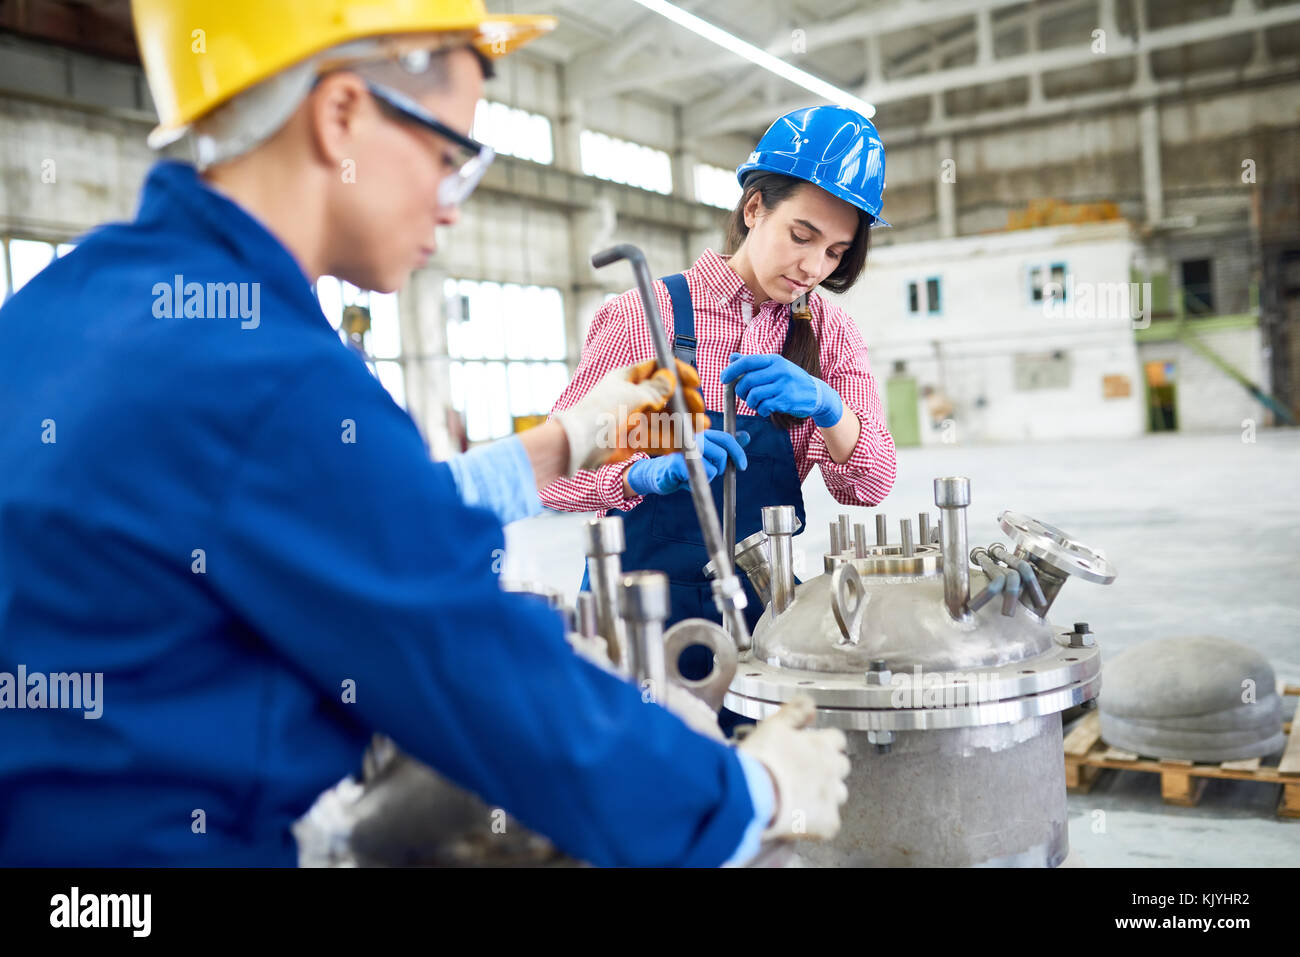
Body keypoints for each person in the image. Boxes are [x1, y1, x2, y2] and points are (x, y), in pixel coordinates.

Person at [0, 0, 850, 867]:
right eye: (451, 157)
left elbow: (339, 516)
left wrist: (565, 442)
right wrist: (756, 788)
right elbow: (476, 674)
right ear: (340, 116)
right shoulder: (265, 374)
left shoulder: (63, 303)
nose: (451, 206)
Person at [541, 106, 899, 644]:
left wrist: (831, 408)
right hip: (637, 615)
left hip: (764, 612)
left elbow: (869, 484)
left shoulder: (831, 333)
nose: (813, 269)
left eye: (834, 252)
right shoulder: (645, 316)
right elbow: (554, 477)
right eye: (801, 236)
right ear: (754, 208)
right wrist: (637, 475)